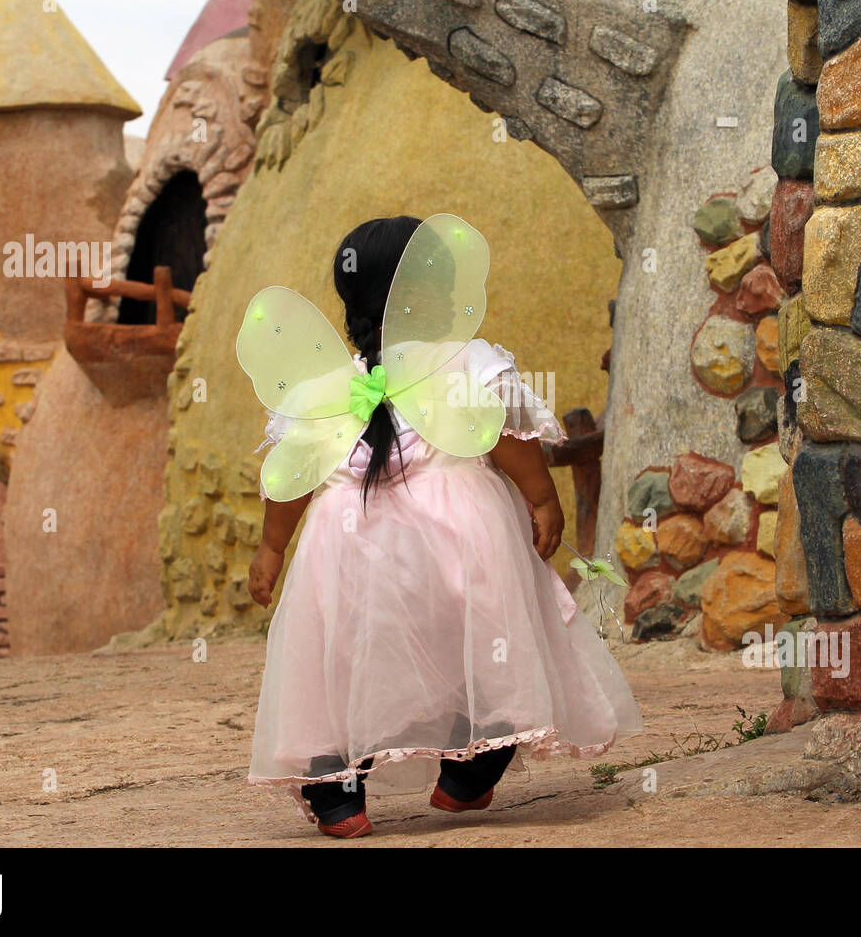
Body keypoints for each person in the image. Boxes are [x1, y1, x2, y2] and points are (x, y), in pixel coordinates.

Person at [243, 215, 642, 838]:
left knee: (340, 661)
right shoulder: (468, 362)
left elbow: (292, 477)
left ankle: (337, 796)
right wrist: (543, 500)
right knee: (484, 650)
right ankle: (468, 776)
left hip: (345, 545)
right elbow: (506, 435)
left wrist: (272, 548)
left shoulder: (326, 386)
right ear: (434, 293)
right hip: (461, 538)